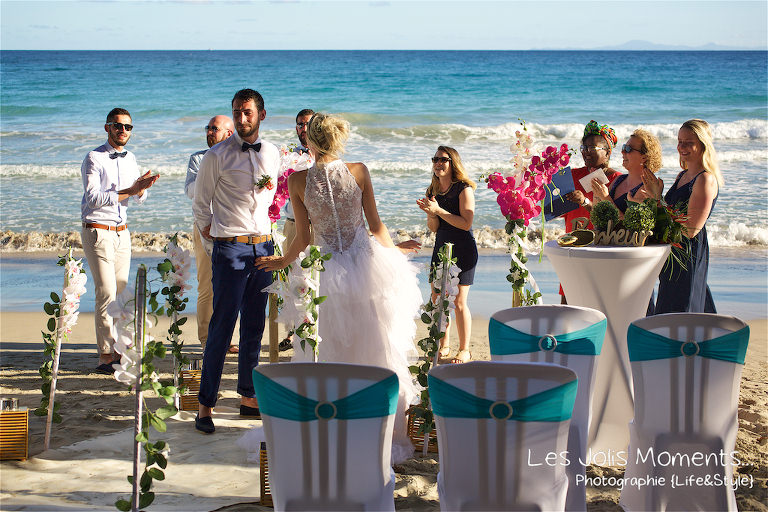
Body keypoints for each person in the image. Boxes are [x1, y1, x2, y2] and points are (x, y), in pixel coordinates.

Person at [255, 112, 422, 463]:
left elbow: (302, 239)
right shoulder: (358, 170)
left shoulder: (298, 182)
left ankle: (331, 424)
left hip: (326, 270)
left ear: (309, 142)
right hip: (368, 266)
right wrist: (395, 251)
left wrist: (282, 263)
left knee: (330, 347)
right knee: (376, 345)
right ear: (337, 139)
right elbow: (375, 226)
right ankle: (377, 428)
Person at [192, 89, 280, 434]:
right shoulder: (216, 156)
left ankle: (248, 397)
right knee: (222, 326)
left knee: (255, 327)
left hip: (264, 248)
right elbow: (201, 205)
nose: (242, 119)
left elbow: (274, 195)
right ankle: (205, 405)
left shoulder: (272, 153)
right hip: (230, 250)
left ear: (261, 114)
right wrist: (215, 240)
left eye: (247, 113)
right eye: (236, 113)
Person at [80, 107, 159, 374]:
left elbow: (138, 198)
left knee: (123, 295)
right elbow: (94, 198)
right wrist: (130, 190)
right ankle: (104, 356)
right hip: (98, 230)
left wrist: (141, 188)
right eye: (118, 126)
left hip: (122, 232)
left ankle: (119, 350)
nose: (123, 131)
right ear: (107, 128)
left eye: (127, 127)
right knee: (105, 292)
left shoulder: (130, 157)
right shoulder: (94, 157)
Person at [642, 119, 720, 314]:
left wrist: (658, 198)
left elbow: (690, 229)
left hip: (687, 254)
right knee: (670, 311)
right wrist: (654, 197)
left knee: (684, 312)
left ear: (703, 144)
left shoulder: (705, 179)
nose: (682, 147)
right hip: (672, 253)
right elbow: (668, 213)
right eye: (679, 141)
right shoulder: (682, 176)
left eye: (688, 142)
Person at [416, 146, 478, 364]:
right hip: (441, 247)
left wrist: (439, 211)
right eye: (435, 159)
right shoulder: (432, 190)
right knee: (438, 298)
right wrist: (431, 214)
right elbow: (434, 227)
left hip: (463, 248)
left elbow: (466, 223)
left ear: (453, 163)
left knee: (459, 301)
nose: (438, 163)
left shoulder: (464, 188)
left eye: (443, 159)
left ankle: (464, 349)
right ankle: (445, 345)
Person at [184, 115, 235, 353]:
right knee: (207, 284)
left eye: (215, 129)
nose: (209, 132)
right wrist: (210, 173)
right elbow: (191, 190)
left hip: (232, 227)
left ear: (229, 133)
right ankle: (206, 339)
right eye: (208, 128)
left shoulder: (238, 156)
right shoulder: (198, 158)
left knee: (230, 286)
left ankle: (227, 339)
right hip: (204, 226)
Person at [559, 120, 622, 303]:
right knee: (567, 303)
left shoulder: (618, 180)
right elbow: (556, 211)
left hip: (600, 251)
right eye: (583, 147)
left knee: (596, 304)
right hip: (571, 247)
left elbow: (615, 220)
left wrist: (585, 201)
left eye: (592, 147)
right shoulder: (572, 175)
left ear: (608, 151)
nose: (585, 151)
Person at [278, 108, 315, 352]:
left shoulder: (327, 156)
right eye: (300, 125)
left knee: (315, 278)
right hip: (292, 224)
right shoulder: (288, 158)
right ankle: (292, 332)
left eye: (307, 124)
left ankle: (314, 328)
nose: (303, 129)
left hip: (318, 226)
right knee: (291, 279)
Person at [592, 128, 662, 215]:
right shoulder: (619, 179)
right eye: (624, 147)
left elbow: (628, 224)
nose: (622, 152)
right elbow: (596, 216)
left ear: (644, 157)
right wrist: (597, 194)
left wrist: (605, 198)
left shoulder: (647, 189)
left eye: (628, 149)